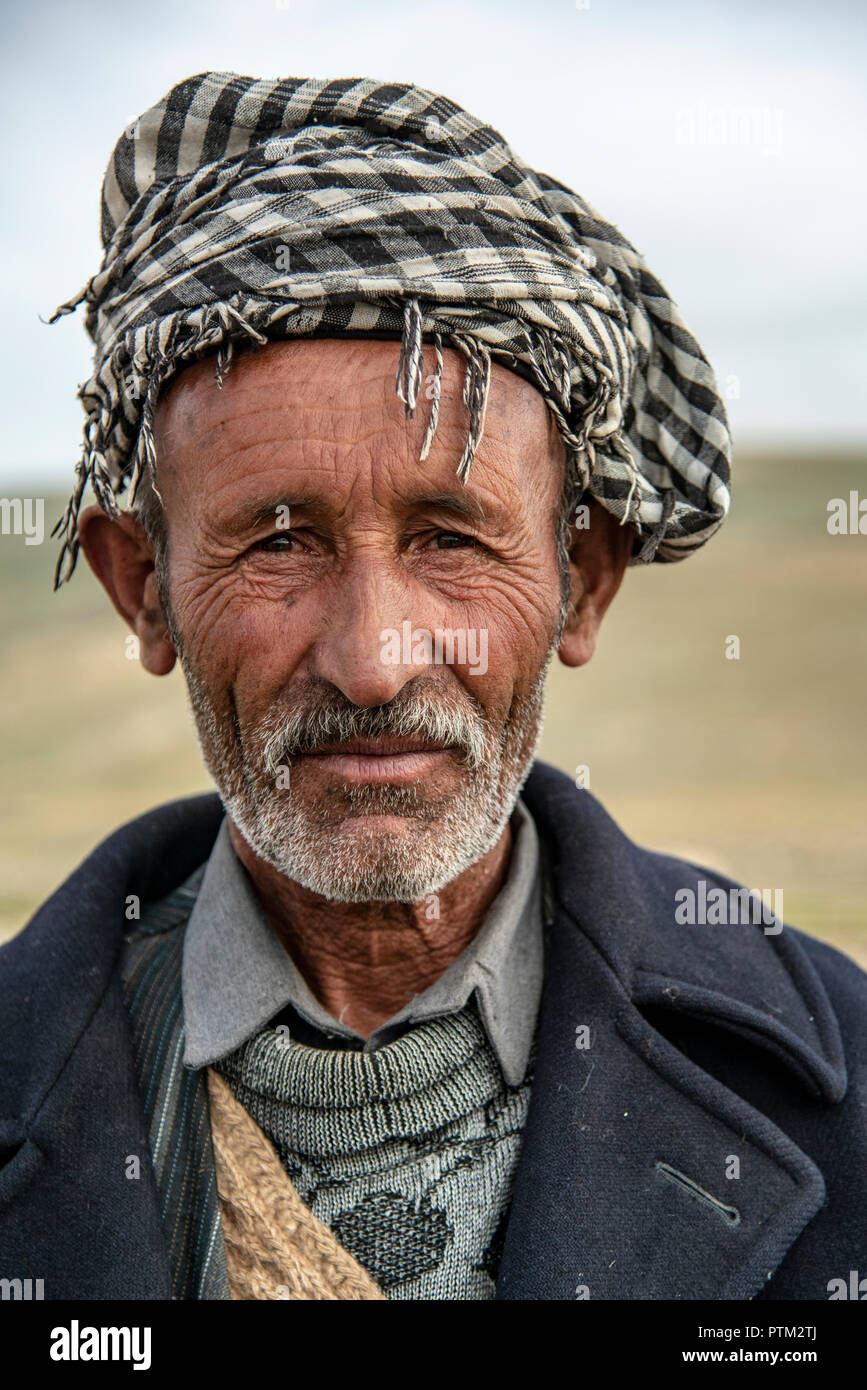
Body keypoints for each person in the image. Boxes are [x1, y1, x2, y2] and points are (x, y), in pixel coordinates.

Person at [1, 72, 864, 1302]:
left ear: (584, 579)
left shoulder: (841, 1077)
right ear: (142, 586)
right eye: (280, 542)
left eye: (452, 540)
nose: (375, 659)